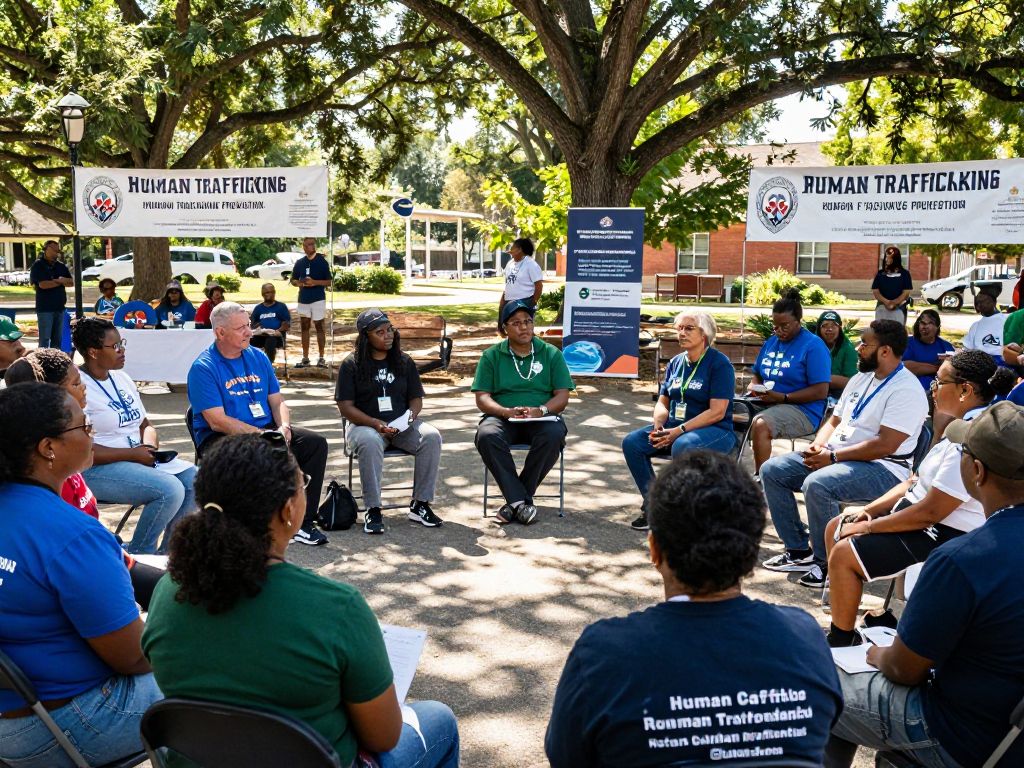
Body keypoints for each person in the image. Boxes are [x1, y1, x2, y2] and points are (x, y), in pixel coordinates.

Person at [141, 433, 460, 768]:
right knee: (439, 719)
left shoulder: (167, 593)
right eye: (303, 483)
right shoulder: (337, 608)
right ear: (288, 510)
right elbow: (383, 737)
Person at [546, 451, 842, 767]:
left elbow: (566, 757)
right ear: (752, 547)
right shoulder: (805, 637)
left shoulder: (602, 654)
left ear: (654, 549)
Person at [825, 401, 1024, 768]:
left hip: (963, 736)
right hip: (1010, 735)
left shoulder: (961, 560)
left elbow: (904, 669)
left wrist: (877, 653)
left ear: (977, 471)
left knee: (818, 682)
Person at [0, 382, 161, 768]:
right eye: (83, 426)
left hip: (16, 712)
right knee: (222, 677)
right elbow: (135, 658)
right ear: (48, 447)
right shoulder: (73, 535)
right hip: (56, 725)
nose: (91, 435)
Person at [822, 350, 1017, 648]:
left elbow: (931, 512)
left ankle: (842, 639)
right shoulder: (957, 426)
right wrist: (870, 511)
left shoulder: (971, 439)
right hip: (920, 518)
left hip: (943, 532)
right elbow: (914, 481)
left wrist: (871, 527)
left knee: (846, 553)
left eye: (939, 382)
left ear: (965, 390)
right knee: (839, 523)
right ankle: (845, 612)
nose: (933, 390)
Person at [760, 320, 928, 589]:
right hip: (838, 456)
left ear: (885, 351)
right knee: (773, 470)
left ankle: (828, 564)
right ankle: (798, 551)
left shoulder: (906, 390)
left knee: (818, 484)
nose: (858, 348)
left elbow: (886, 444)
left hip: (883, 468)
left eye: (865, 343)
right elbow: (834, 420)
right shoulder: (861, 378)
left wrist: (834, 458)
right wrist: (818, 446)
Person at [188, 301, 329, 546]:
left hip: (266, 429)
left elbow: (277, 401)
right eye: (241, 328)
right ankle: (251, 527)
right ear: (220, 333)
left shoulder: (258, 357)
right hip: (222, 438)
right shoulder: (203, 368)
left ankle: (302, 522)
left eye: (248, 325)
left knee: (315, 444)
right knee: (258, 454)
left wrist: (283, 427)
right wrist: (261, 435)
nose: (249, 332)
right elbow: (217, 421)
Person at [73, 317, 197, 554]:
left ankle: (169, 556)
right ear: (93, 352)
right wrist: (133, 454)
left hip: (136, 458)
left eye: (122, 343)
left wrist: (148, 447)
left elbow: (145, 424)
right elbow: (80, 449)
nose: (122, 351)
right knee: (169, 490)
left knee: (195, 480)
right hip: (96, 467)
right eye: (115, 346)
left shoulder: (122, 377)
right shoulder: (78, 386)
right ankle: (140, 555)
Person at [620, 311, 735, 531]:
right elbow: (663, 401)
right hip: (676, 428)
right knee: (632, 443)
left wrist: (678, 431)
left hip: (715, 429)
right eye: (679, 328)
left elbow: (717, 411)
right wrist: (659, 426)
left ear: (704, 334)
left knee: (683, 446)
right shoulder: (675, 362)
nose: (681, 333)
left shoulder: (719, 364)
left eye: (688, 328)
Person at [335, 309, 443, 535]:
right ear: (366, 337)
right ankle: (373, 509)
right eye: (380, 332)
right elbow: (346, 407)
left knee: (431, 437)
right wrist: (375, 423)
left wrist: (408, 419)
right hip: (364, 426)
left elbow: (415, 399)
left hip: (402, 426)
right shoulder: (351, 364)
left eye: (390, 329)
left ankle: (420, 504)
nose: (388, 335)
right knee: (371, 441)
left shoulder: (404, 361)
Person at [472, 299, 574, 524]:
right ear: (504, 328)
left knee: (554, 434)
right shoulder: (492, 355)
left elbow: (562, 395)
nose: (524, 327)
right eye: (516, 323)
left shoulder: (550, 353)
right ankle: (521, 502)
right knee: (487, 435)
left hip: (541, 417)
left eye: (528, 321)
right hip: (503, 416)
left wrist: (541, 410)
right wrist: (505, 412)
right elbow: (482, 397)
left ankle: (515, 501)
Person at [746, 288, 832, 476]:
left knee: (761, 424)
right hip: (768, 401)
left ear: (798, 322)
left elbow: (820, 391)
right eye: (775, 326)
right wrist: (755, 386)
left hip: (803, 410)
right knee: (730, 413)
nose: (778, 331)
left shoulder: (813, 346)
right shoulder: (771, 342)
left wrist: (783, 397)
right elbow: (758, 373)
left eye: (784, 326)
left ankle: (761, 478)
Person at [290, 236, 333, 368]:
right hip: (303, 299)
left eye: (313, 244)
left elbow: (329, 281)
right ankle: (305, 357)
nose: (312, 247)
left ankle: (321, 357)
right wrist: (299, 283)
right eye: (309, 244)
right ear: (304, 247)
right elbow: (293, 280)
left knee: (319, 326)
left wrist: (314, 282)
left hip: (318, 298)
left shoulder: (321, 261)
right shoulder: (300, 262)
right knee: (304, 326)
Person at [29, 239, 72, 348]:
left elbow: (71, 282)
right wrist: (60, 281)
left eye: (58, 251)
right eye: (54, 250)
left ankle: (55, 362)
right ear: (46, 249)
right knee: (44, 339)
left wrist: (60, 281)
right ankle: (41, 362)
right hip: (45, 309)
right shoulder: (38, 265)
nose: (56, 253)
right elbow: (43, 285)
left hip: (60, 308)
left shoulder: (61, 266)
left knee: (57, 339)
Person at [497, 237, 543, 336]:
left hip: (524, 301)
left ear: (520, 250)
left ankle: (532, 348)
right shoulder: (510, 263)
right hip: (509, 300)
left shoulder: (531, 264)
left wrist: (533, 301)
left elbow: (539, 285)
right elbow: (508, 283)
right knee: (510, 329)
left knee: (523, 330)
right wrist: (503, 298)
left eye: (513, 248)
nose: (510, 250)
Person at [903, 309, 954, 391]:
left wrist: (922, 367)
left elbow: (951, 372)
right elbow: (904, 367)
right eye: (922, 323)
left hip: (937, 392)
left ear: (937, 327)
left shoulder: (945, 346)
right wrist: (938, 368)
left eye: (930, 323)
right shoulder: (907, 343)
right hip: (910, 389)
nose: (925, 327)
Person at [815, 309, 858, 399]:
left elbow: (853, 382)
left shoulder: (848, 348)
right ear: (819, 329)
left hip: (840, 394)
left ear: (840, 328)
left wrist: (822, 378)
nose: (829, 329)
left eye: (834, 326)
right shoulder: (811, 346)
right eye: (825, 326)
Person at [249, 282, 291, 363]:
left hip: (276, 336)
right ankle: (252, 365)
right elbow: (252, 324)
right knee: (248, 341)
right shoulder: (258, 308)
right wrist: (257, 327)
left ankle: (269, 365)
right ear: (263, 294)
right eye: (267, 292)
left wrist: (278, 330)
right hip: (261, 335)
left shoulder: (281, 306)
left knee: (270, 341)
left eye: (272, 292)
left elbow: (286, 324)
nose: (270, 294)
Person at [962, 289, 1007, 365]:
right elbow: (967, 348)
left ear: (994, 302)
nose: (980, 305)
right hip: (978, 363)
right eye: (978, 302)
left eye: (984, 301)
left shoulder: (1006, 321)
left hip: (1001, 363)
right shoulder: (975, 325)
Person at [872, 246, 913, 322]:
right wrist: (886, 302)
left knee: (898, 331)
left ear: (896, 259)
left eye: (890, 258)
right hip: (882, 308)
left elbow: (906, 292)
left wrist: (894, 303)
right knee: (880, 331)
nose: (887, 259)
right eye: (886, 257)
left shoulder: (905, 274)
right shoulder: (880, 274)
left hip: (899, 308)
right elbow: (876, 291)